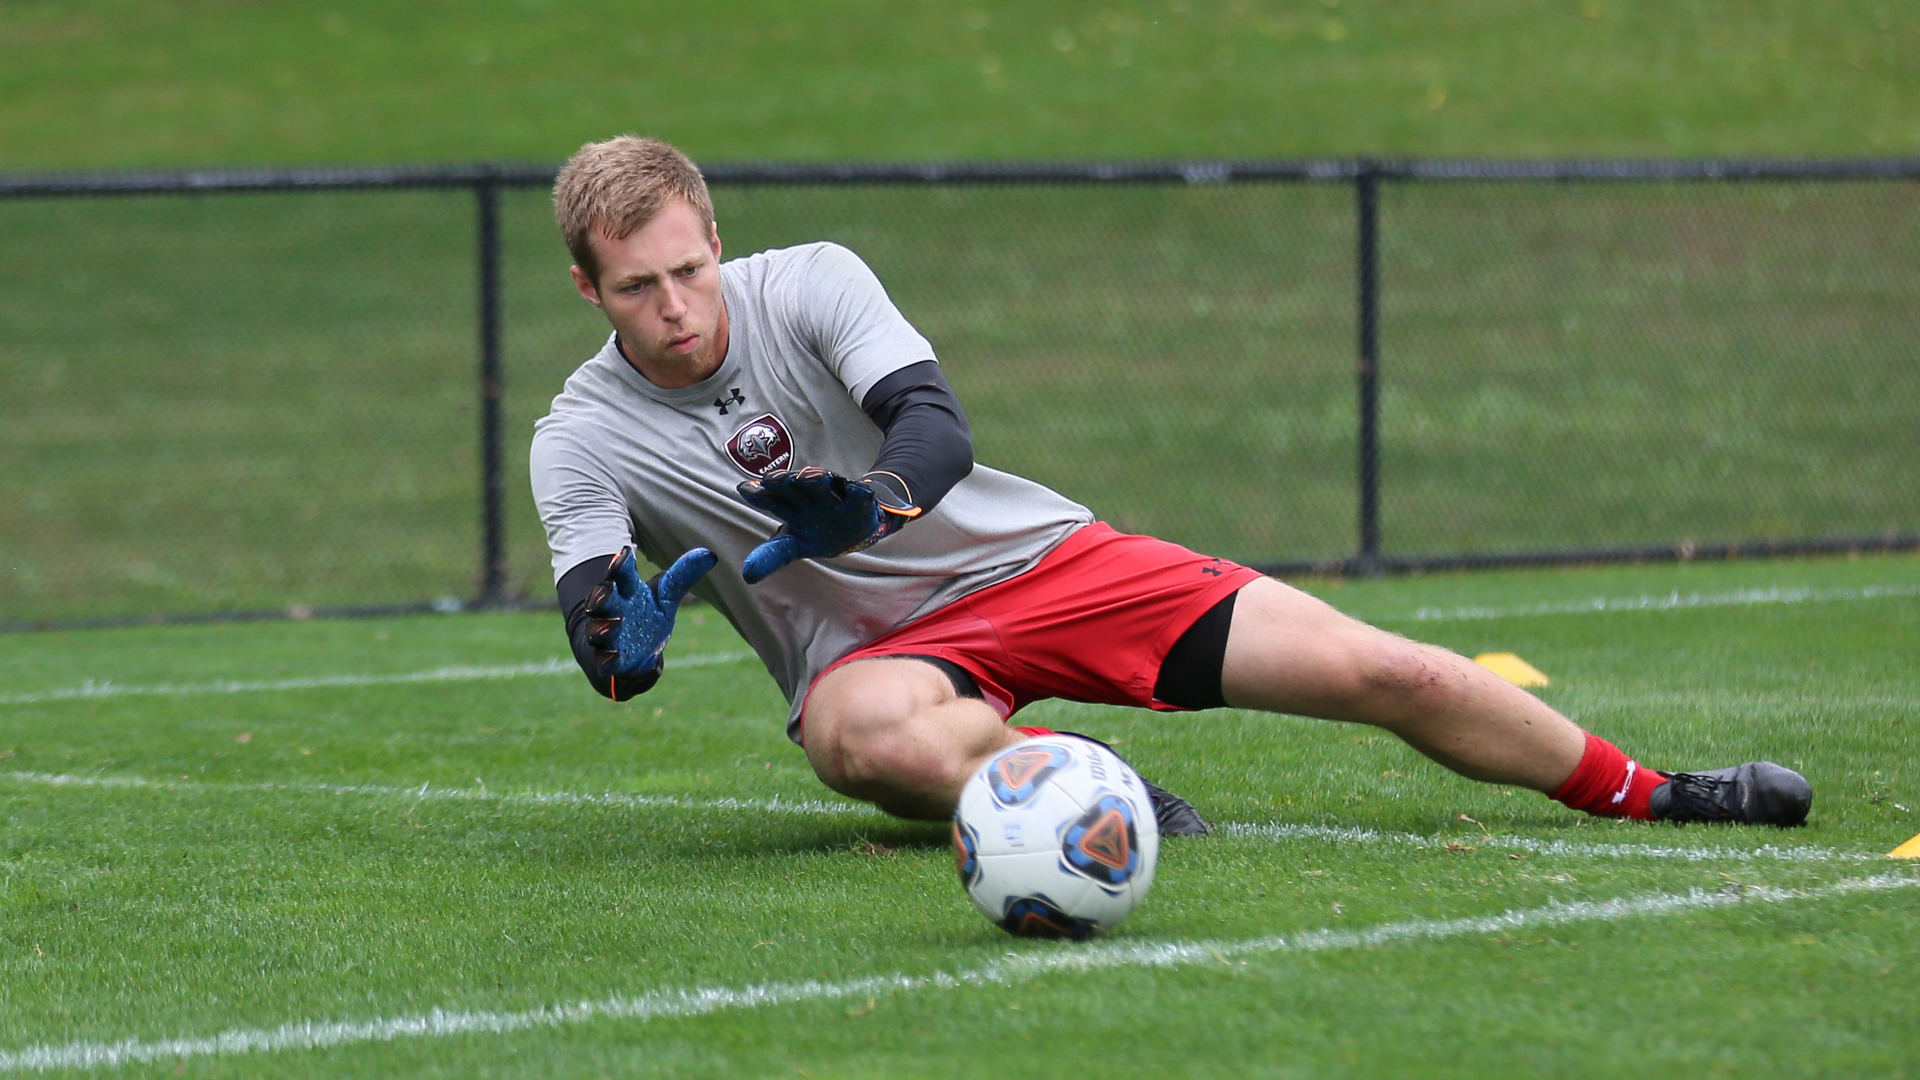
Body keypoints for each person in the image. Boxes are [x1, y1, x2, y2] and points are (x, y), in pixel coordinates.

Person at [529, 135, 1812, 835]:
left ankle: (1655, 791)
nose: (678, 307)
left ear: (715, 233)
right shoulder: (577, 436)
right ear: (589, 290)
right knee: (860, 746)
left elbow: (931, 423)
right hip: (874, 660)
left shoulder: (806, 278)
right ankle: (1079, 779)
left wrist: (874, 506)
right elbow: (602, 631)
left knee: (1391, 672)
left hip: (1038, 562)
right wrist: (620, 645)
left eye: (690, 269)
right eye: (638, 287)